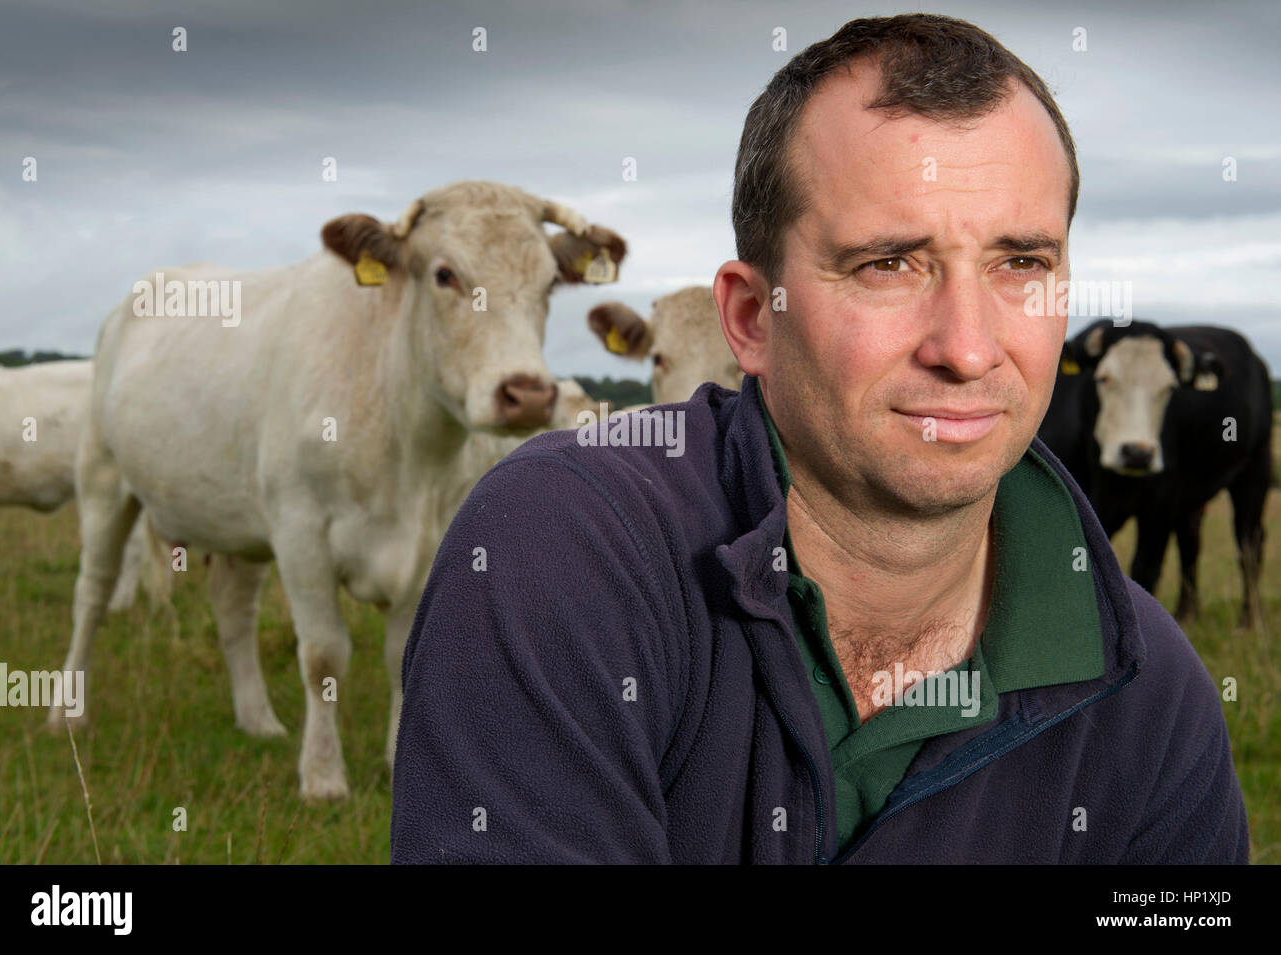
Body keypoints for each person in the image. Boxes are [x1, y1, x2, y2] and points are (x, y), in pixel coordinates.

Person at [391, 13, 1249, 864]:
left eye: (1020, 263)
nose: (968, 347)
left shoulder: (1149, 692)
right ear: (749, 318)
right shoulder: (562, 553)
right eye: (888, 264)